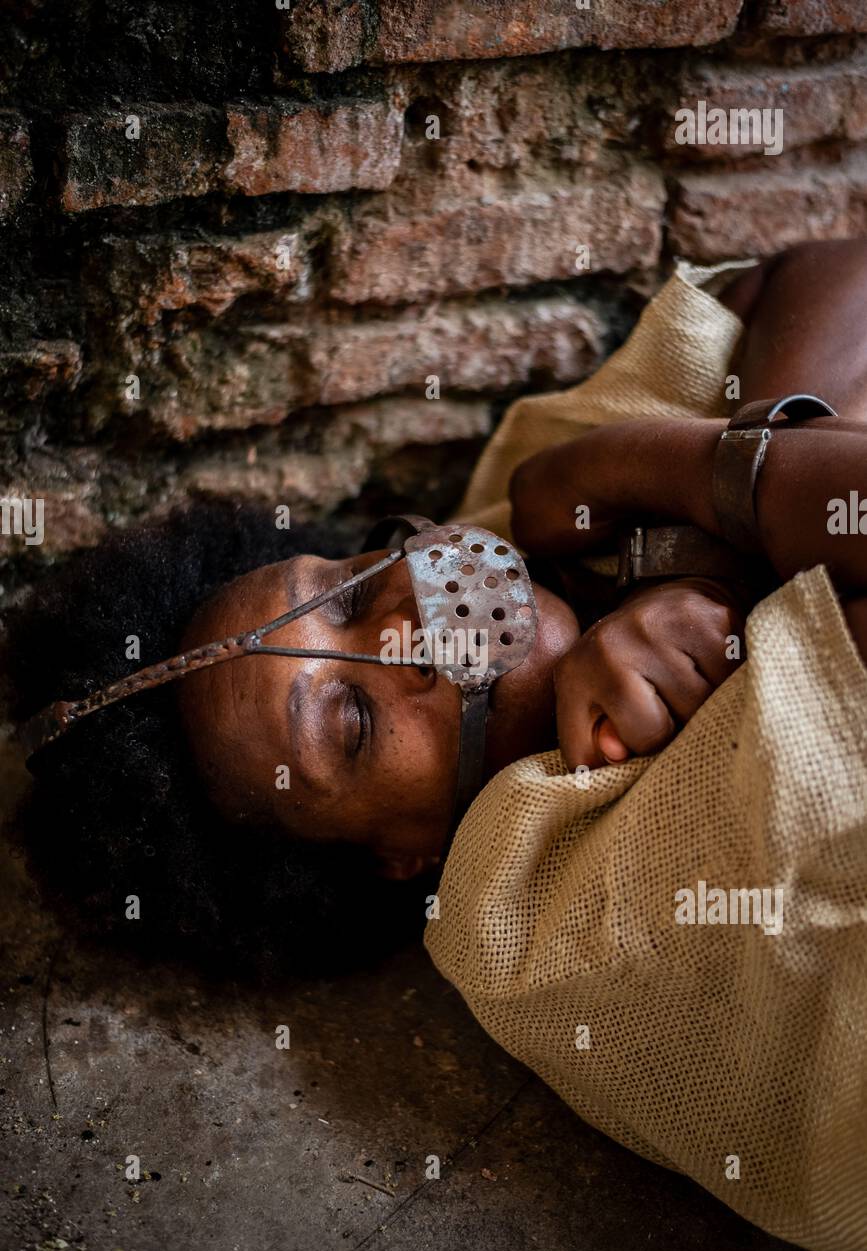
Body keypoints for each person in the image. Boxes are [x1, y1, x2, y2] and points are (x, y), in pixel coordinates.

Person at [5, 238, 866, 972]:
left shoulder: (524, 513)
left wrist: (696, 565)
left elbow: (821, 270)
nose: (404, 631)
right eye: (350, 723)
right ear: (401, 859)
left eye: (342, 598)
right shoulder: (633, 883)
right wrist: (653, 474)